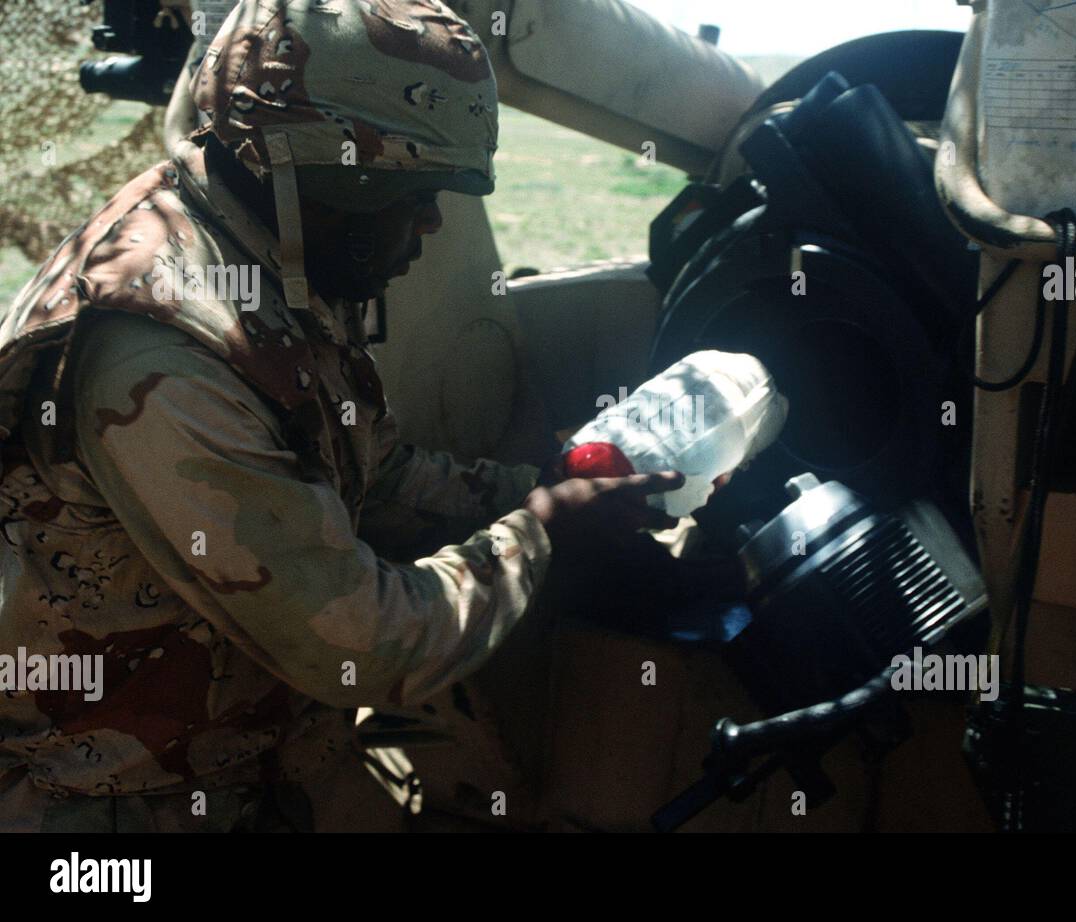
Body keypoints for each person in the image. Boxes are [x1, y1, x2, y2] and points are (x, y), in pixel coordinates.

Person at [0, 0, 680, 832]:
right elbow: (361, 649)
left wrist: (529, 488)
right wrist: (540, 535)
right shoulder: (161, 358)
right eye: (415, 190)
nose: (433, 222)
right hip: (120, 802)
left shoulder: (266, 242)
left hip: (256, 751)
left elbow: (365, 467)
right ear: (322, 174)